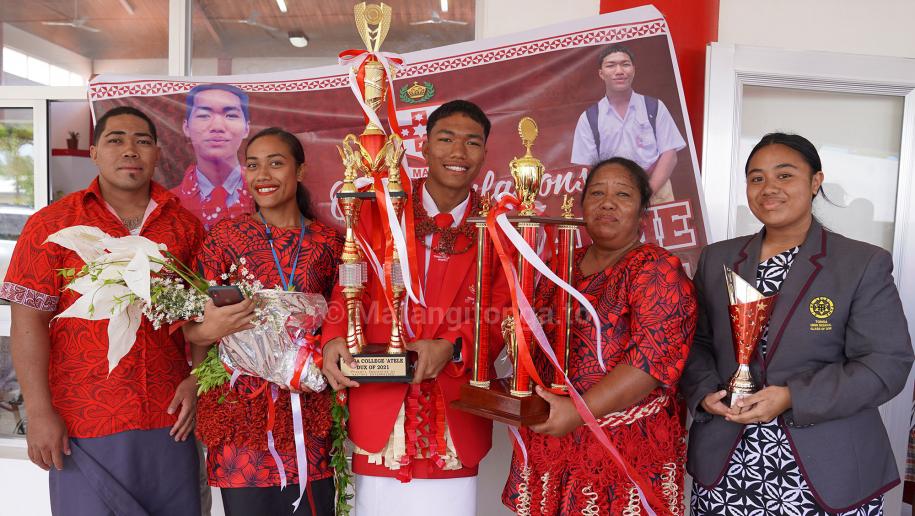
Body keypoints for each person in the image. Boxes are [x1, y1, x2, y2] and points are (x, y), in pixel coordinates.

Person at [682, 133, 914, 515]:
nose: (768, 188)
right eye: (756, 178)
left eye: (784, 175)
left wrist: (792, 396)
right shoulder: (717, 259)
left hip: (826, 470)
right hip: (728, 469)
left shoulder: (860, 263)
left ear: (816, 181)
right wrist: (705, 393)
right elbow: (694, 343)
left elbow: (886, 363)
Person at [1, 106, 203, 515]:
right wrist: (38, 412)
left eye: (142, 141)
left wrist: (198, 381)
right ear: (93, 152)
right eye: (116, 139)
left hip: (169, 419)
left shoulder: (185, 227)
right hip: (83, 420)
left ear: (158, 153)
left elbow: (204, 316)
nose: (130, 149)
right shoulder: (52, 225)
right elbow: (27, 321)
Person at [321, 100, 509, 516]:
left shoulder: (498, 226)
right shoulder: (382, 208)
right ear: (423, 145)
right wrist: (334, 336)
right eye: (446, 139)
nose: (458, 153)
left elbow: (504, 311)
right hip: (378, 400)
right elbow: (351, 280)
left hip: (454, 411)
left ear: (484, 153)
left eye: (472, 143)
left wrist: (454, 346)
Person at [501, 157, 697, 515]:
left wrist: (576, 412)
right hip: (553, 440)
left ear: (643, 215)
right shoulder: (560, 266)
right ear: (582, 207)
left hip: (620, 449)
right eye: (597, 193)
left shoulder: (656, 269)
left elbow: (651, 363)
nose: (607, 203)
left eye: (622, 194)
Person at [183, 127, 341, 516]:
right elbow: (193, 326)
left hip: (307, 406)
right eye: (253, 165)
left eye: (276, 163)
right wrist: (204, 353)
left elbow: (342, 320)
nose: (263, 175)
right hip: (240, 409)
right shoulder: (226, 236)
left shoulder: (329, 242)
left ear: (300, 171)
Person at [570, 44, 686, 204]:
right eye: (611, 65)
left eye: (625, 64)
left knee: (661, 229)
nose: (619, 71)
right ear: (601, 74)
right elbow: (585, 167)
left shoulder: (654, 107)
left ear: (633, 69)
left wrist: (647, 192)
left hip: (656, 189)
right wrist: (615, 195)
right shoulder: (590, 118)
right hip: (611, 196)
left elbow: (670, 154)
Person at [172, 83, 254, 230]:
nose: (217, 127)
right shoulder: (169, 202)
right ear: (186, 127)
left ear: (247, 128)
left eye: (231, 115)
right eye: (204, 115)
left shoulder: (266, 191)